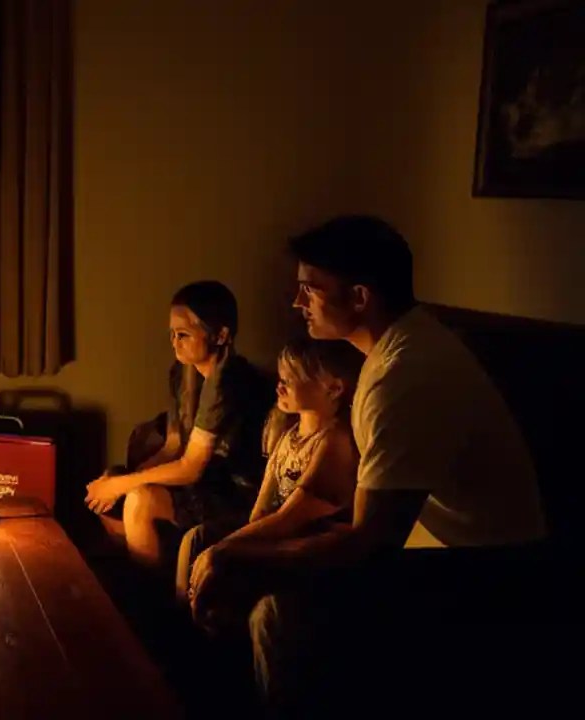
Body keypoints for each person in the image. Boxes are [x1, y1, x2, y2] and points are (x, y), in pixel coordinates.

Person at [188, 216, 549, 712]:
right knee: (216, 546)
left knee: (277, 612)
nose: (298, 304)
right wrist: (238, 546)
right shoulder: (388, 353)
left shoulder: (404, 374)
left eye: (309, 290)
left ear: (360, 297)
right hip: (424, 544)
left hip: (485, 568)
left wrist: (244, 556)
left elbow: (369, 542)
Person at [85, 281, 274, 567]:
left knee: (141, 499)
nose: (175, 342)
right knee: (111, 482)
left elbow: (192, 466)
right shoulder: (183, 373)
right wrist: (117, 483)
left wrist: (125, 485)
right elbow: (174, 444)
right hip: (199, 481)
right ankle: (135, 567)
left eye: (184, 334)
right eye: (172, 334)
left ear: (221, 335)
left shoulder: (229, 381)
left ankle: (147, 596)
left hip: (231, 490)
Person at [176, 335, 363, 606]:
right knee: (196, 539)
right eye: (280, 377)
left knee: (221, 563)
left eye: (290, 379)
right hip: (279, 533)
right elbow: (261, 509)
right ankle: (186, 617)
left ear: (333, 388)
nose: (280, 386)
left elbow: (291, 517)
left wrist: (226, 549)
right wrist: (235, 543)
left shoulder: (334, 441)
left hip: (306, 544)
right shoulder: (288, 436)